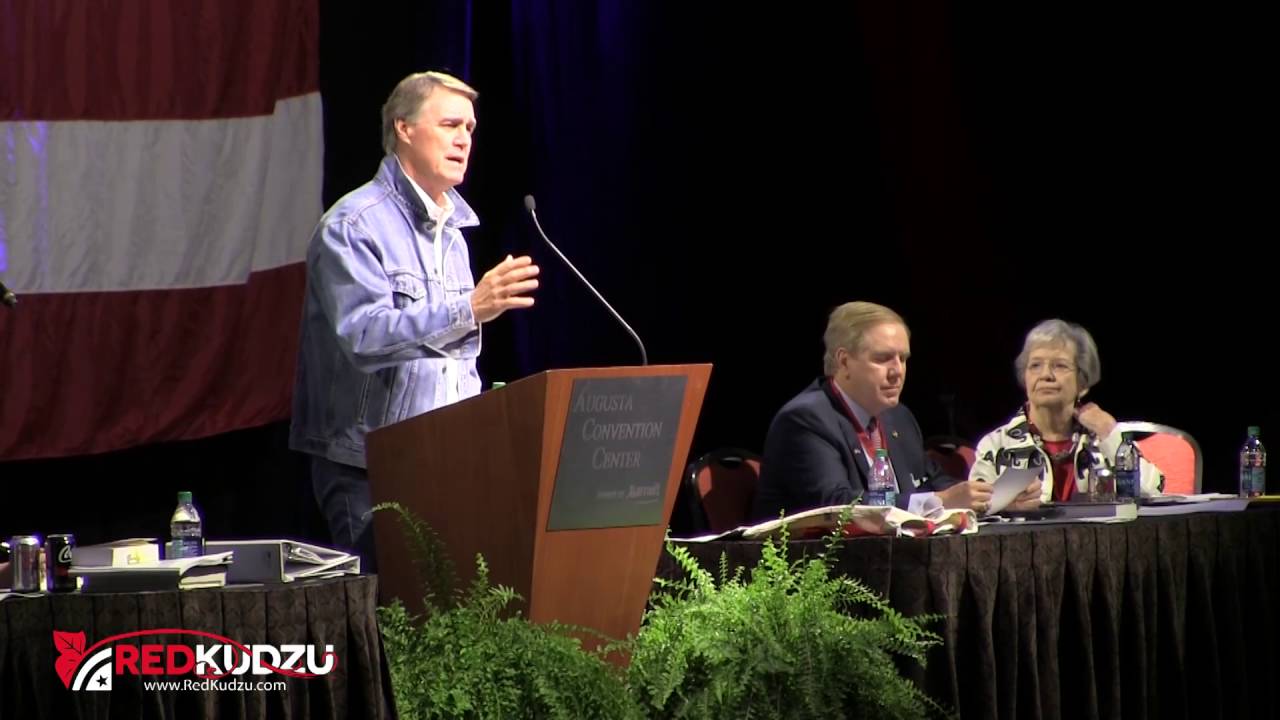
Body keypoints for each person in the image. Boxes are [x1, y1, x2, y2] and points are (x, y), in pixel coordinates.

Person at [289, 71, 540, 570]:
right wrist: (468, 308)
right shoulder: (353, 224)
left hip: (450, 463)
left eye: (470, 128)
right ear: (403, 128)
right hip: (372, 468)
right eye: (449, 124)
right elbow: (364, 334)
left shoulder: (454, 234)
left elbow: (454, 363)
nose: (464, 139)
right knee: (390, 621)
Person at [752, 301, 1001, 520]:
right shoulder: (805, 420)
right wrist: (937, 501)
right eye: (882, 359)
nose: (897, 372)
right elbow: (836, 504)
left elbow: (931, 481)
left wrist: (990, 497)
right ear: (844, 361)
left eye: (903, 359)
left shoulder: (899, 417)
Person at [968, 319, 1163, 504]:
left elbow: (1152, 491)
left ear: (1083, 383)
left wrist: (1109, 432)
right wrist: (1008, 505)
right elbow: (976, 511)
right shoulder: (996, 445)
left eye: (1059, 366)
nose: (1045, 375)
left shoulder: (1102, 439)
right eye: (1035, 365)